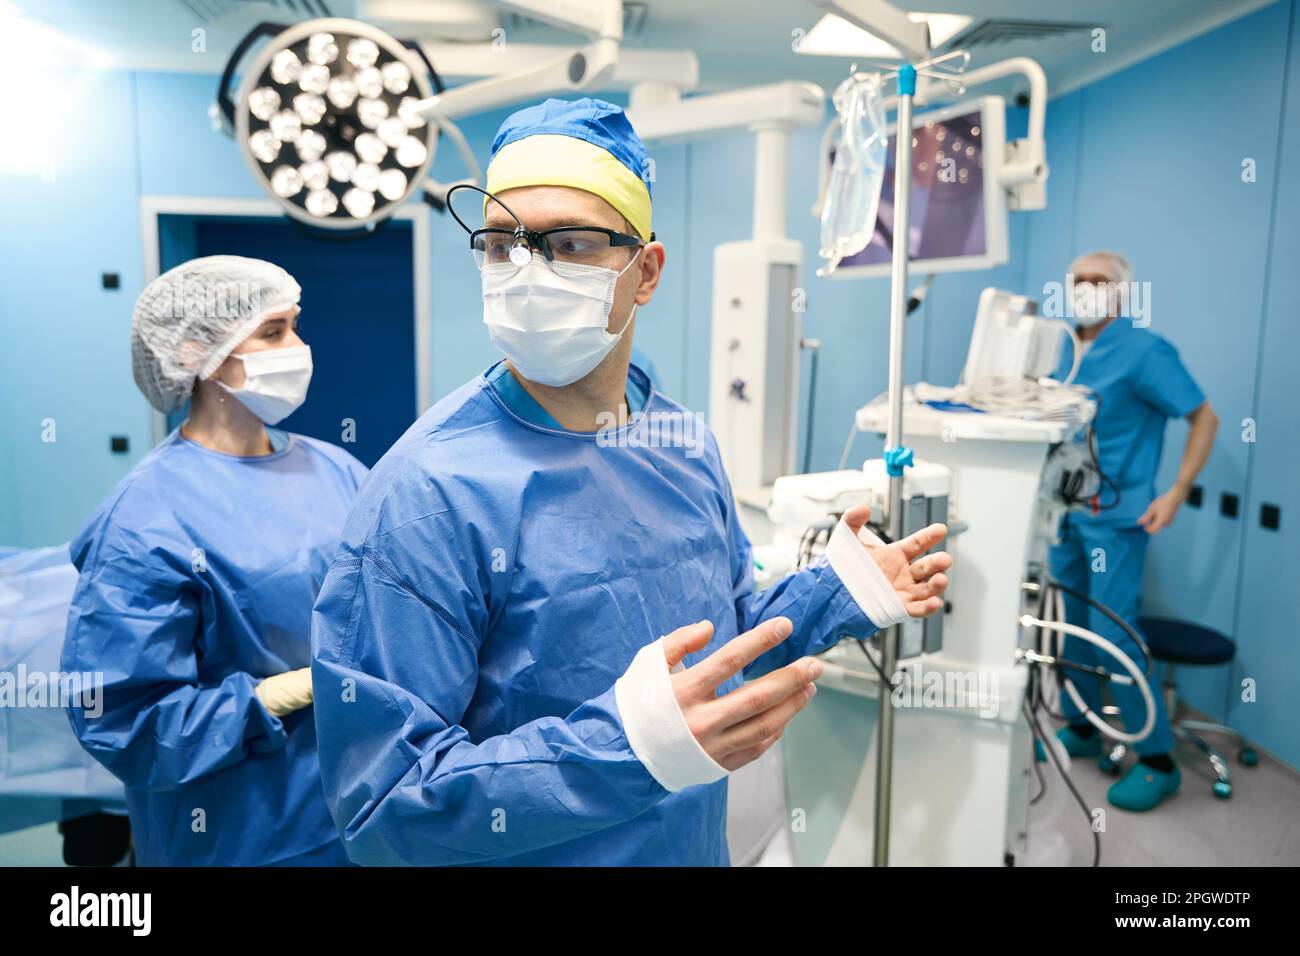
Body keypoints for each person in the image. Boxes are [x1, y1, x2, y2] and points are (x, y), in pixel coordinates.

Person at [311, 98, 952, 866]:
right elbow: (385, 806)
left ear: (644, 272)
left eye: (571, 244)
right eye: (500, 242)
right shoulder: (425, 496)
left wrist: (837, 594)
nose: (525, 269)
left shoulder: (681, 445)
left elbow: (728, 639)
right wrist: (631, 747)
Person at [62, 256, 368, 865]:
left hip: (356, 817)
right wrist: (267, 700)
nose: (299, 347)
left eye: (296, 327)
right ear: (197, 352)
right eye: (274, 332)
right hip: (235, 836)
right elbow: (123, 720)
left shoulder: (339, 469)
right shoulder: (145, 517)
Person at [1046, 251, 1218, 812]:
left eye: (1098, 282)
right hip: (1064, 511)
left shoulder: (1145, 351)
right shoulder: (1064, 349)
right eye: (1078, 281)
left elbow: (1204, 417)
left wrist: (1176, 492)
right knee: (1069, 626)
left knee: (1113, 634)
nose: (1086, 290)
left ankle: (1157, 760)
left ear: (1121, 293)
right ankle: (1085, 726)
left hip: (1117, 519)